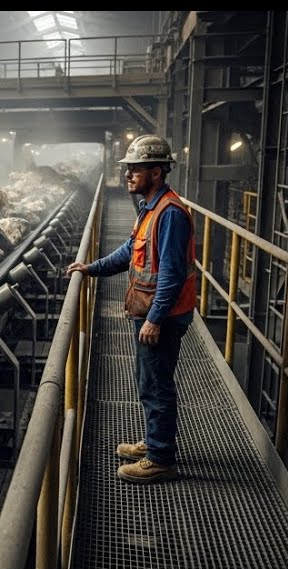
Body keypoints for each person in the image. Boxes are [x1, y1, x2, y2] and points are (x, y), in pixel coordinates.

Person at [66, 134, 198, 483]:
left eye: (134, 169)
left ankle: (160, 459)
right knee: (148, 381)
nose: (127, 175)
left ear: (156, 173)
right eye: (127, 169)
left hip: (163, 316)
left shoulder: (169, 215)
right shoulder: (150, 210)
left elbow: (170, 273)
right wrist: (90, 268)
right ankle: (154, 443)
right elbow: (129, 252)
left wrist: (154, 319)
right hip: (154, 311)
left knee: (156, 384)